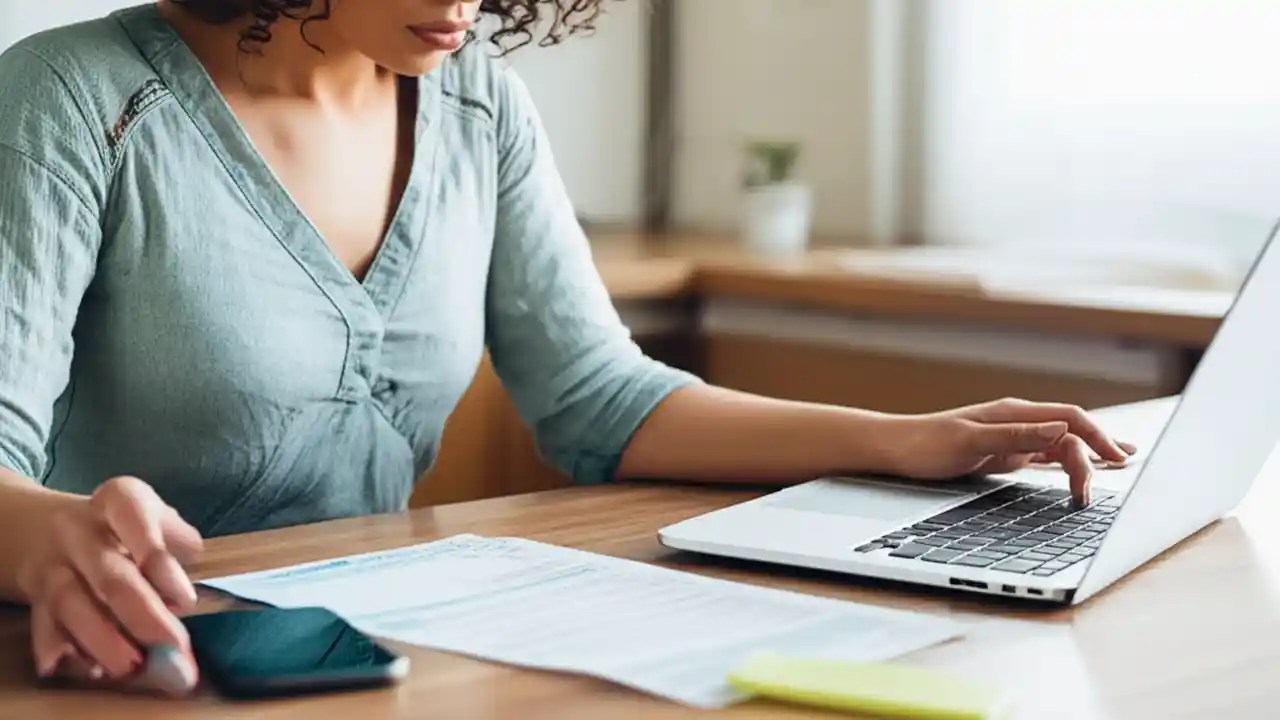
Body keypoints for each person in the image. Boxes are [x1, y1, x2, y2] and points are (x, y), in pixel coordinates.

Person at [0, 0, 1134, 693]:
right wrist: (57, 533)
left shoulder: (476, 105)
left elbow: (596, 396)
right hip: (120, 665)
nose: (467, 4)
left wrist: (900, 440)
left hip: (373, 659)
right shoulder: (78, 99)